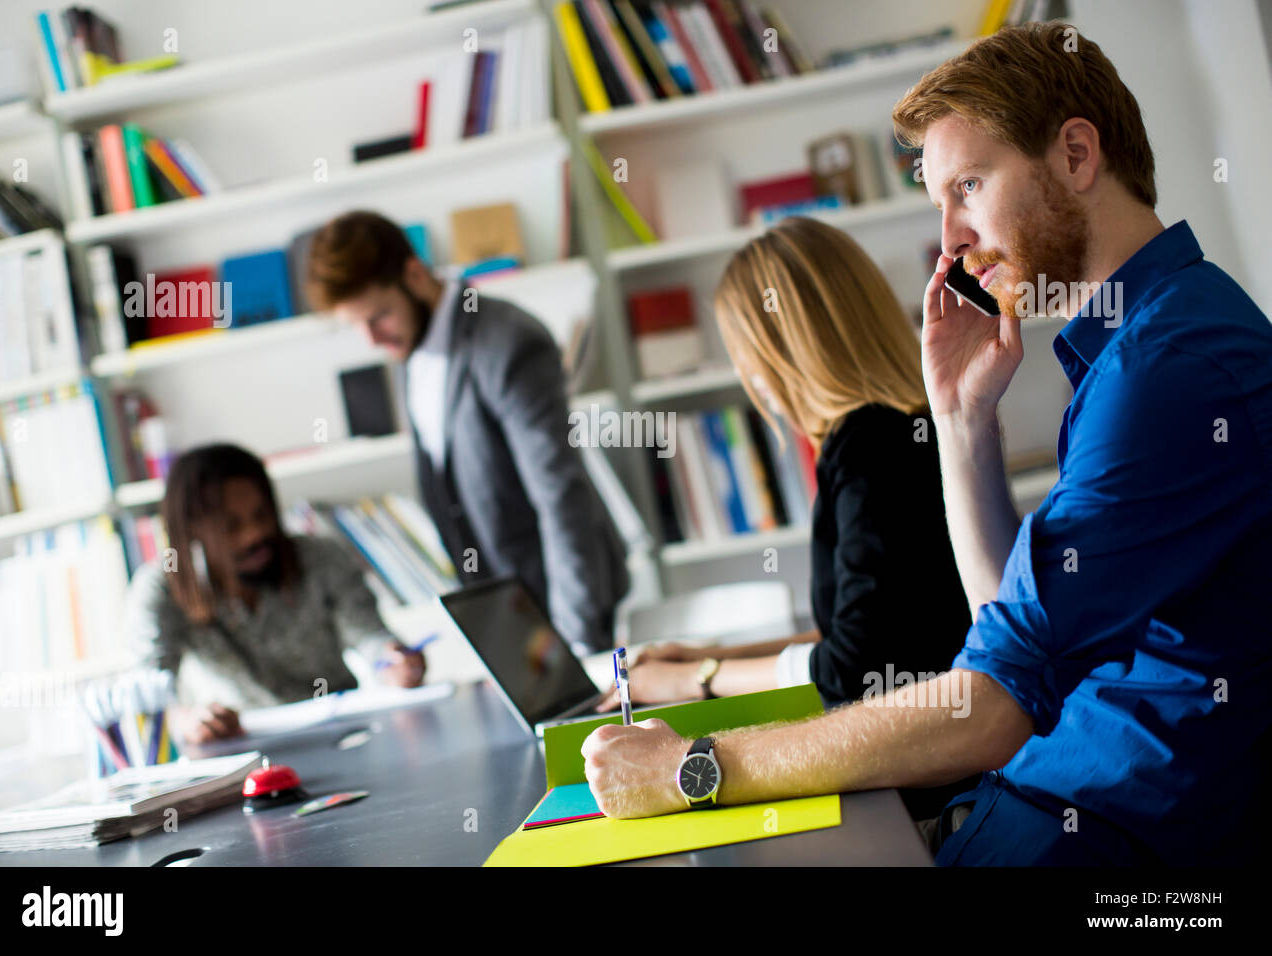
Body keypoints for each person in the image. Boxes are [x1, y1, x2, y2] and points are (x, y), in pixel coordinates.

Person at [580, 22, 1272, 866]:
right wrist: (960, 420)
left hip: (1105, 840)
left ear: (1077, 157)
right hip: (1051, 808)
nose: (948, 241)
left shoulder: (1160, 370)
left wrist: (696, 767)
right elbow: (1010, 636)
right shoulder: (1141, 346)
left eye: (969, 186)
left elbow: (987, 705)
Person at [599, 218, 975, 820]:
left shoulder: (872, 448)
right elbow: (863, 633)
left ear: (781, 348)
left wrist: (696, 678)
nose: (750, 377)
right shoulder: (889, 432)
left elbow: (851, 671)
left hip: (927, 790)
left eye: (745, 353)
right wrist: (705, 655)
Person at [305, 211, 628, 655]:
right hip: (507, 619)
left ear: (414, 275)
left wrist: (578, 639)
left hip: (566, 611)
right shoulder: (411, 350)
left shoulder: (509, 341)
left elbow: (560, 493)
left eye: (378, 317)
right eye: (357, 326)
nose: (372, 341)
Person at [125, 444, 425, 744]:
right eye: (231, 526)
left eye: (261, 515)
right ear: (191, 531)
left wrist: (393, 661)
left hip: (343, 734)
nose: (254, 534)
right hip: (240, 748)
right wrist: (186, 720)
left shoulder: (321, 557)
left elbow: (368, 633)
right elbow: (149, 689)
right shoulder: (162, 587)